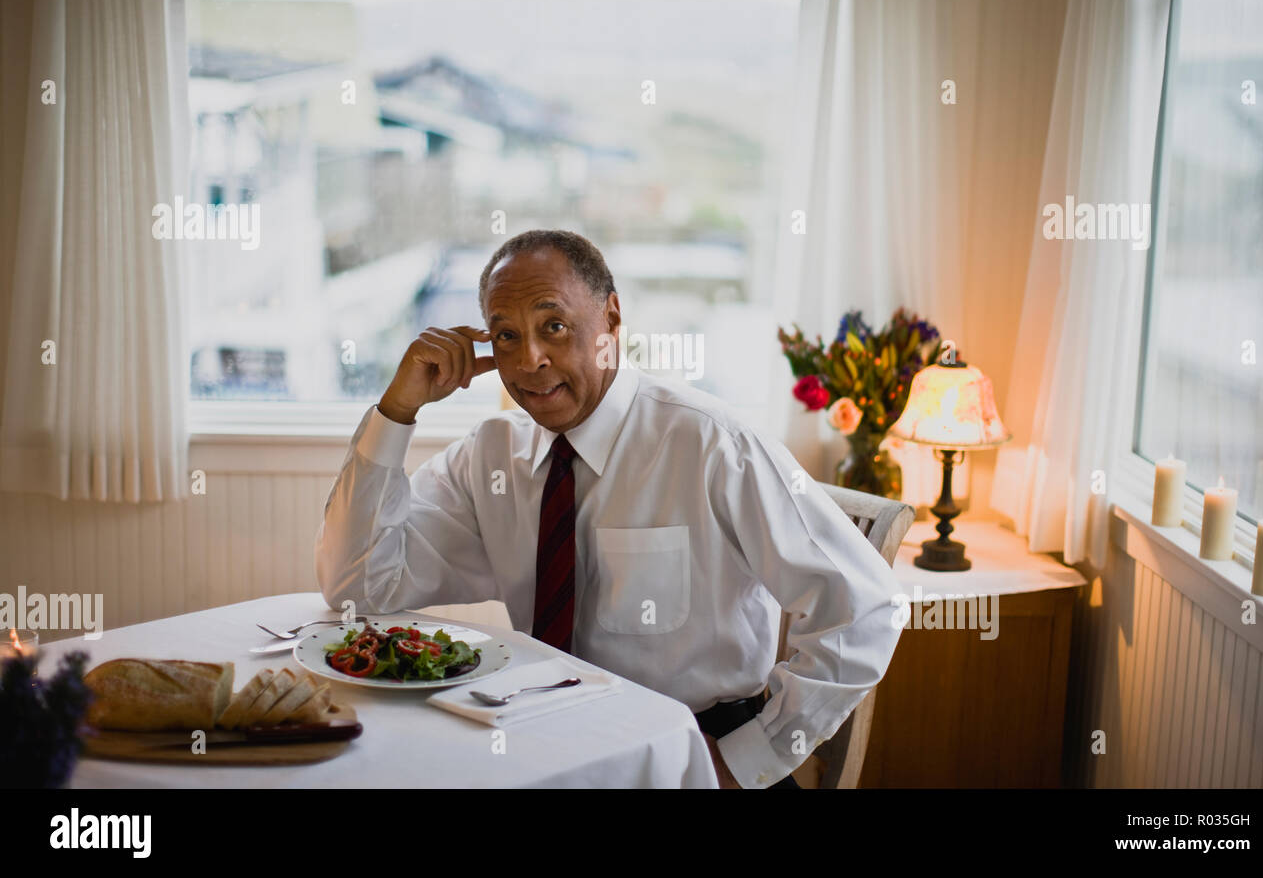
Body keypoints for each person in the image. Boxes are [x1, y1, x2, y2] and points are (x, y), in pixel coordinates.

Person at [315, 229, 905, 789]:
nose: (530, 361)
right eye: (507, 337)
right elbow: (361, 589)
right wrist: (396, 411)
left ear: (611, 319)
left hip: (689, 756)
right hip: (544, 745)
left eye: (554, 326)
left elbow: (865, 609)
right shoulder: (488, 457)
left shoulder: (711, 445)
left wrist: (743, 762)